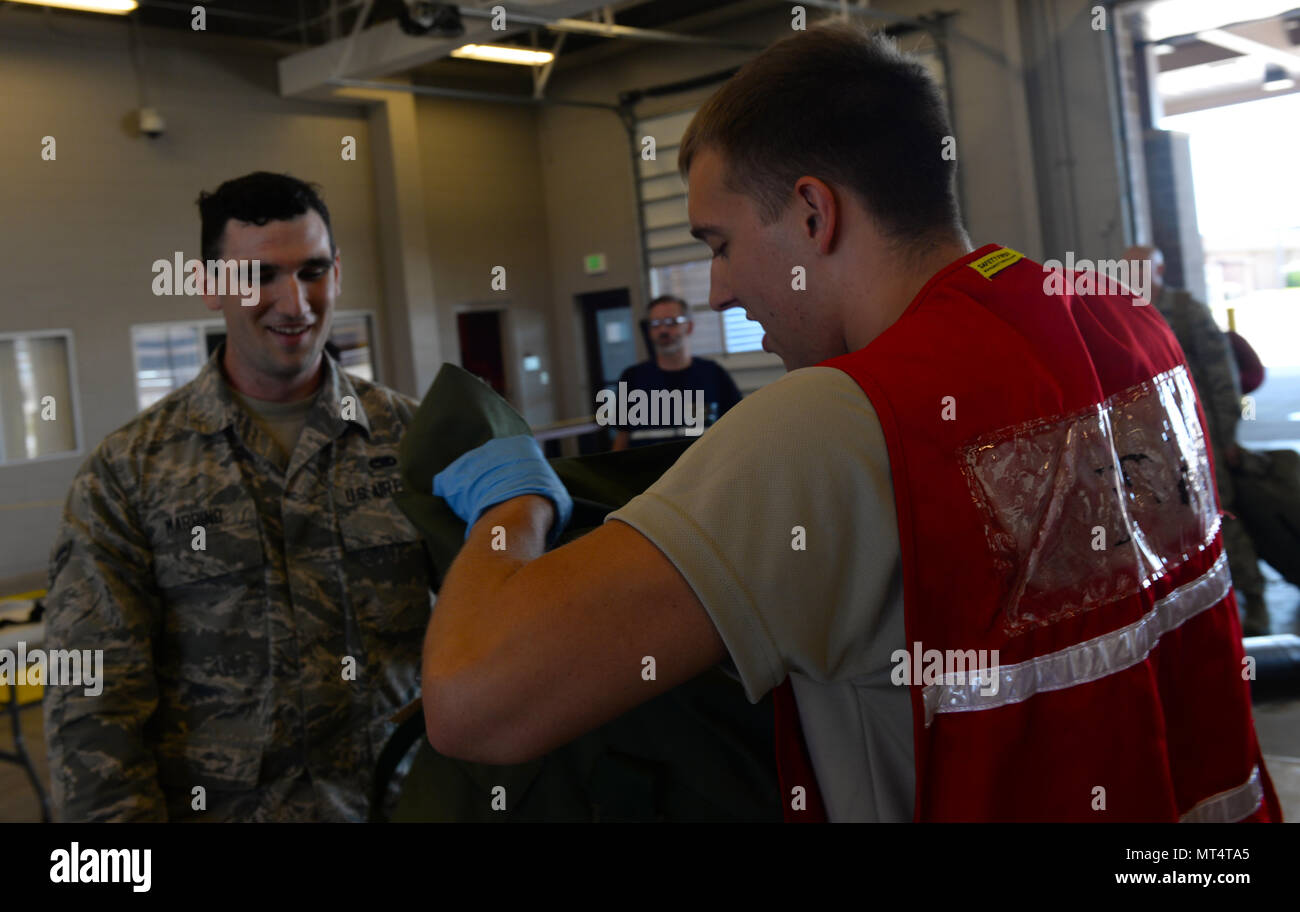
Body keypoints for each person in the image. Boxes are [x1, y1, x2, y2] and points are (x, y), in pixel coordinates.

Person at [419, 25, 1280, 822]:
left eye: (719, 244)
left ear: (811, 213)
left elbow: (471, 702)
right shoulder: (1128, 326)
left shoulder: (836, 422)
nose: (718, 291)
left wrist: (513, 505)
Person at [42, 172, 435, 822]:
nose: (294, 303)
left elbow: (498, 627)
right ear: (207, 287)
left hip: (402, 804)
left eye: (312, 271)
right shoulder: (129, 472)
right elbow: (92, 699)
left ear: (337, 273)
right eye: (258, 278)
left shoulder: (416, 442)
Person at [1121, 245, 1269, 636]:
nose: (1133, 274)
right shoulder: (1125, 314)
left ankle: (1254, 600)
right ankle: (1204, 611)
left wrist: (1228, 438)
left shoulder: (1187, 312)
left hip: (1203, 440)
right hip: (1159, 444)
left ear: (1160, 268)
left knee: (1224, 520)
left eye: (1141, 267)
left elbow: (1223, 379)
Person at [610, 295, 742, 450]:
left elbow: (738, 428)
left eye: (671, 322)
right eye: (655, 324)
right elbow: (622, 436)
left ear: (689, 326)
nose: (663, 330)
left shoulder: (713, 374)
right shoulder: (632, 377)